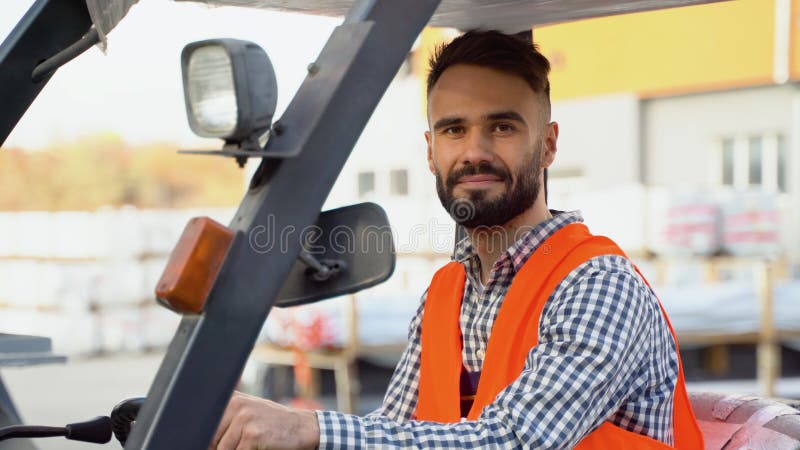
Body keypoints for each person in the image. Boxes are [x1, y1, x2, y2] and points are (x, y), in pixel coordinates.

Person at [210, 30, 704, 450]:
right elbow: (396, 432)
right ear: (431, 151)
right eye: (454, 129)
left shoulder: (598, 287)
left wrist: (308, 428)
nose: (475, 151)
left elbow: (512, 440)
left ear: (548, 144)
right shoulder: (447, 295)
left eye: (503, 127)